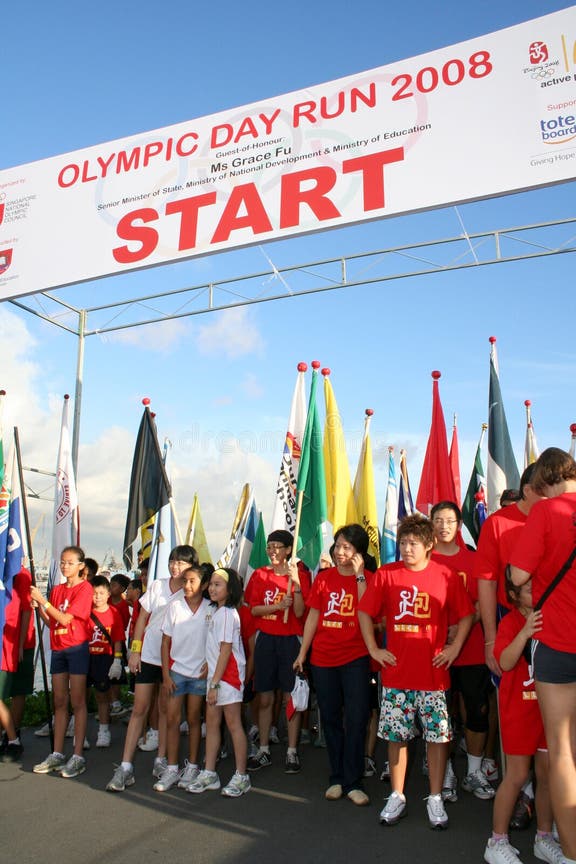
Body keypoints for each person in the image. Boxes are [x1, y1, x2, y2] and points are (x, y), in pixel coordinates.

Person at [358, 514, 474, 830]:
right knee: (397, 739)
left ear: (429, 545)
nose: (407, 549)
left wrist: (453, 649)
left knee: (437, 739)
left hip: (434, 677)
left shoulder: (446, 575)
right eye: (404, 542)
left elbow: (467, 616)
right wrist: (374, 649)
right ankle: (397, 794)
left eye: (413, 543)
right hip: (396, 675)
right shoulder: (386, 574)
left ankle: (435, 796)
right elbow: (365, 612)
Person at [509, 448, 576, 864]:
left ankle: (572, 853)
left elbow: (517, 576)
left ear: (543, 483)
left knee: (563, 752)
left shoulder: (546, 514)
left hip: (556, 641)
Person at [485, 572, 563, 864]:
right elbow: (504, 662)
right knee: (517, 775)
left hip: (548, 709)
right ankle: (497, 841)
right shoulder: (511, 622)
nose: (534, 591)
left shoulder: (550, 616)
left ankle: (544, 837)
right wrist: (525, 632)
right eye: (527, 588)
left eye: (536, 586)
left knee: (547, 776)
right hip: (518, 708)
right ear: (514, 596)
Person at [106, 544, 197, 792]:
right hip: (148, 655)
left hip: (174, 660)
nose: (175, 566)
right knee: (140, 709)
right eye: (172, 562)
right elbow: (141, 619)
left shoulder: (191, 591)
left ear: (191, 566)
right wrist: (134, 650)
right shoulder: (157, 585)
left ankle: (162, 760)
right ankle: (125, 766)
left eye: (181, 563)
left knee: (167, 712)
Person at [293, 524, 373, 806]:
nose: (340, 552)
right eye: (338, 545)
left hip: (356, 658)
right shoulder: (324, 578)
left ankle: (354, 780)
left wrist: (361, 575)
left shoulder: (368, 579)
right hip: (323, 658)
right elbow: (313, 615)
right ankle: (337, 777)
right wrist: (303, 652)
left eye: (347, 547)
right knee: (330, 718)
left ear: (359, 552)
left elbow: (367, 609)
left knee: (356, 717)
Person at [430, 501, 494, 803]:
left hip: (472, 651)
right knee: (441, 714)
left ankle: (473, 771)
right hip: (435, 652)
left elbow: (484, 602)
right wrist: (444, 631)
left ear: (459, 525)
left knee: (477, 711)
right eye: (438, 520)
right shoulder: (423, 561)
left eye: (450, 521)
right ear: (431, 524)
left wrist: (460, 629)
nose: (443, 526)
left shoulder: (474, 559)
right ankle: (445, 774)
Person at [244, 529, 310, 774]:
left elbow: (302, 612)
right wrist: (277, 606)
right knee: (265, 696)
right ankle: (263, 749)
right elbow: (253, 610)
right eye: (269, 546)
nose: (272, 551)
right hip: (266, 639)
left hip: (291, 640)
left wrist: (297, 584)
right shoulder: (260, 575)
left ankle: (292, 751)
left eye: (277, 546)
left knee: (290, 696)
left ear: (288, 550)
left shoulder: (300, 574)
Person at [187, 567, 250, 798]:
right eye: (211, 584)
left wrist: (214, 683)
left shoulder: (227, 613)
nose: (212, 588)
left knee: (233, 725)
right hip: (216, 676)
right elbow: (216, 648)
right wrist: (209, 667)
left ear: (230, 588)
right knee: (212, 724)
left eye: (218, 584)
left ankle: (242, 775)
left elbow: (225, 651)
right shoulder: (217, 611)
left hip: (228, 678)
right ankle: (210, 772)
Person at [31, 546, 93, 778]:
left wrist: (43, 602)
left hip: (76, 648)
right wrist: (39, 609)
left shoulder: (85, 589)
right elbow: (53, 623)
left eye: (70, 562)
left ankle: (77, 755)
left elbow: (66, 619)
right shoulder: (57, 590)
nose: (65, 566)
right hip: (58, 648)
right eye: (63, 562)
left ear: (80, 566)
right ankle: (57, 753)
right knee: (59, 700)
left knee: (77, 701)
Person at [157, 565, 211, 792]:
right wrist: (166, 674)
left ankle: (193, 766)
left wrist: (209, 664)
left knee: (194, 720)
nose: (187, 586)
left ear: (204, 585)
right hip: (177, 672)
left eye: (192, 581)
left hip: (199, 674)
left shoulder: (211, 608)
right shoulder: (175, 607)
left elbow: (215, 641)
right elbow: (165, 642)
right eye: (185, 581)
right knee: (172, 720)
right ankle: (171, 767)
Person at [87, 575, 125, 748]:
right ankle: (80, 732)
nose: (98, 597)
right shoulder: (85, 611)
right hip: (86, 657)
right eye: (95, 593)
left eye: (102, 593)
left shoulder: (113, 613)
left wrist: (117, 661)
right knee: (80, 696)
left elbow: (117, 639)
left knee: (103, 696)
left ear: (108, 593)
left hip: (105, 658)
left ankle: (104, 730)